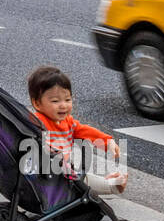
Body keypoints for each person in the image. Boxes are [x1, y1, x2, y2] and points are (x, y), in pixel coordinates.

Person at [27, 66, 127, 196]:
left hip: (61, 172)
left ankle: (107, 184)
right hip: (48, 177)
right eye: (55, 101)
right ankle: (109, 186)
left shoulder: (67, 121)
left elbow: (83, 130)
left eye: (67, 99)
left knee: (75, 174)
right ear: (37, 104)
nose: (63, 105)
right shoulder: (37, 122)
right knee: (75, 176)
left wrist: (107, 142)